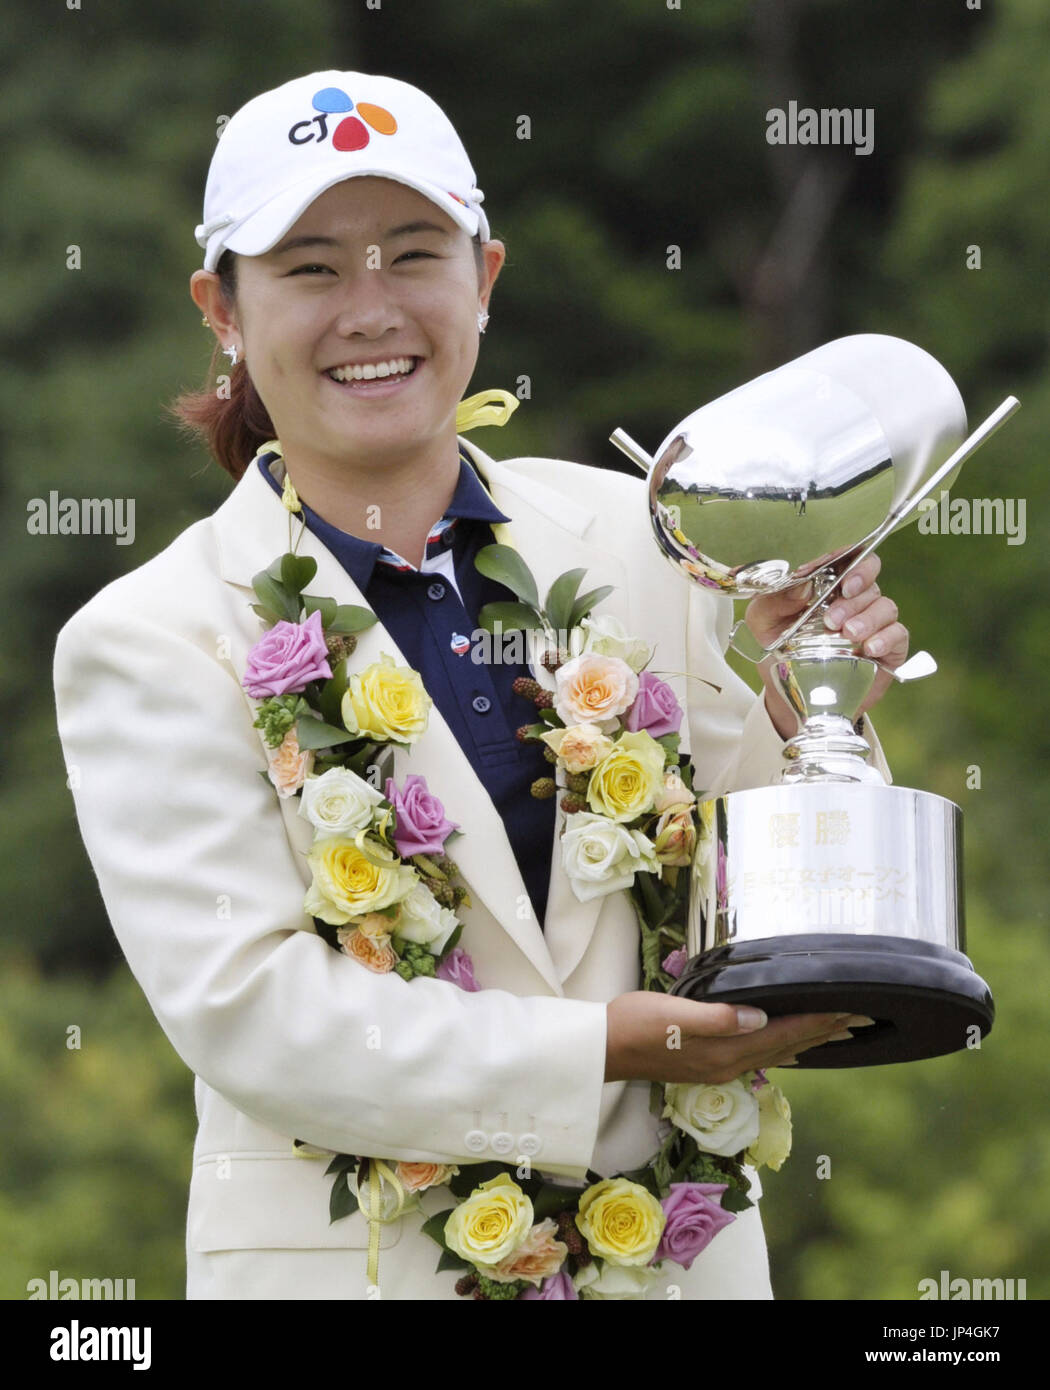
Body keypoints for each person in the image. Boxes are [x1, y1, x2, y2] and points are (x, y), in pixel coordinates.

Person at [51, 70, 908, 1301]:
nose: (370, 309)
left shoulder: (640, 535)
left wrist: (803, 703)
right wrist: (619, 1048)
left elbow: (737, 883)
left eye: (413, 254)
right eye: (309, 269)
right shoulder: (150, 635)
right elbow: (255, 1010)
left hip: (677, 1264)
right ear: (221, 309)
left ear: (485, 278)